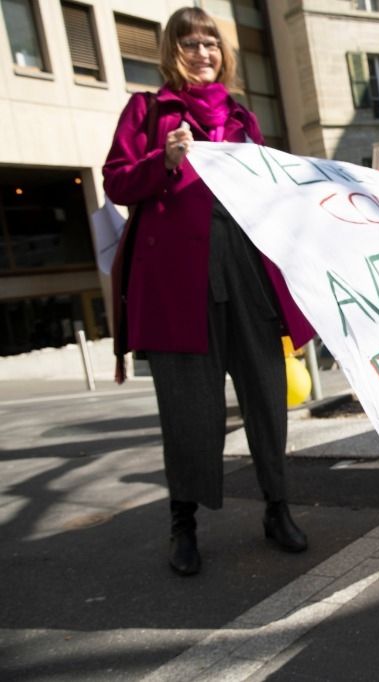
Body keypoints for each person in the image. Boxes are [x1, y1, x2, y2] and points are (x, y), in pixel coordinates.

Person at [103, 7, 315, 577]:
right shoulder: (147, 110)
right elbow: (116, 179)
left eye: (211, 44)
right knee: (188, 412)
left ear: (224, 53)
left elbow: (269, 194)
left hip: (247, 273)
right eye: (191, 43)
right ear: (173, 51)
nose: (203, 53)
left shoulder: (242, 118)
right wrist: (164, 160)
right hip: (178, 285)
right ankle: (184, 525)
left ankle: (277, 509)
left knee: (267, 399)